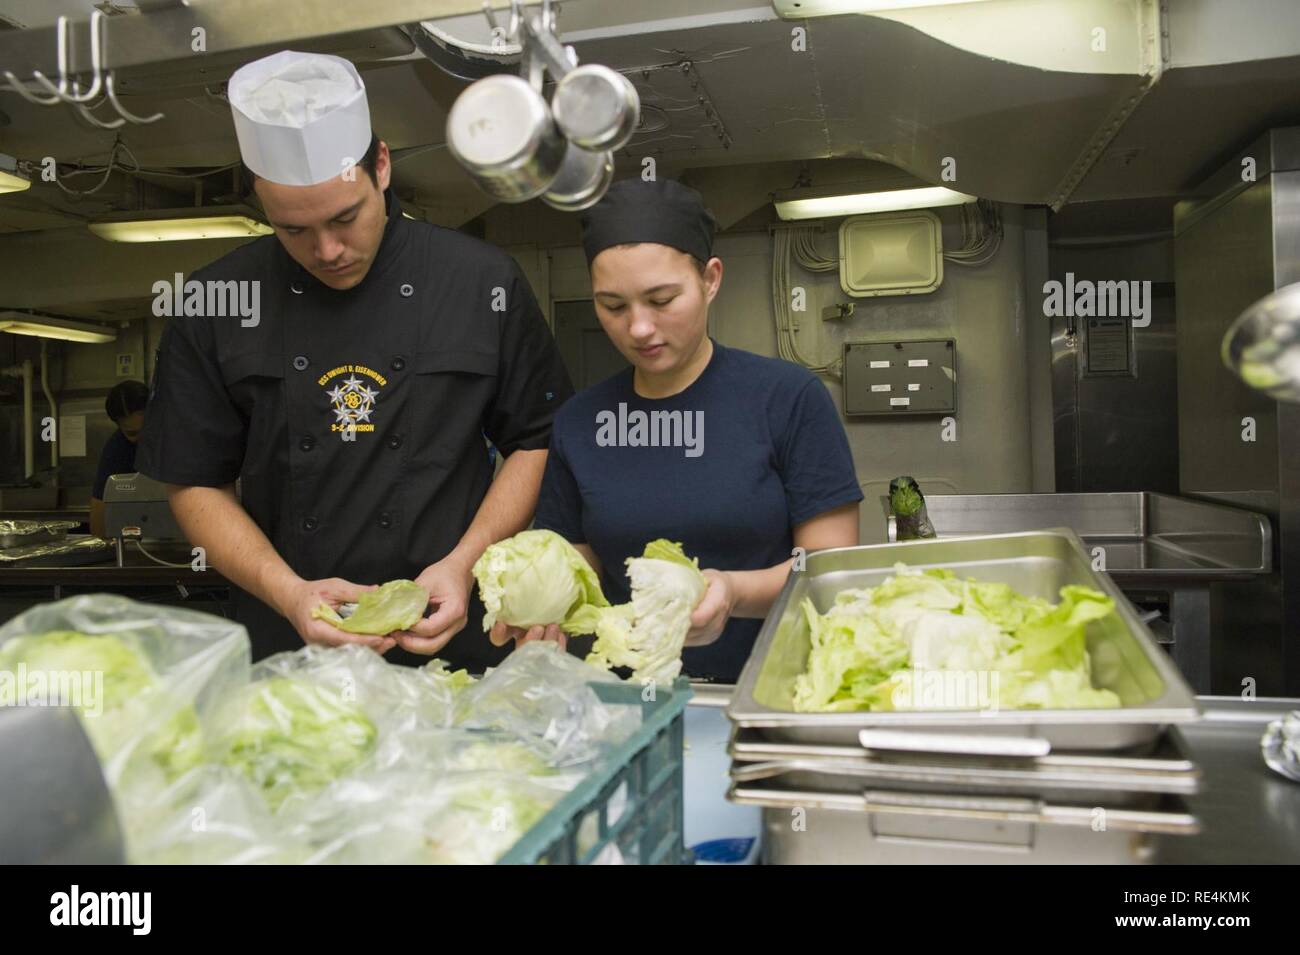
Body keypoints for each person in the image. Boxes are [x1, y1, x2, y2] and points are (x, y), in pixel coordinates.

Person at [136, 50, 573, 670]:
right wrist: (290, 594)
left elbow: (538, 440)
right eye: (293, 230)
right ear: (261, 200)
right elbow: (193, 478)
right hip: (292, 645)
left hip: (453, 632)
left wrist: (462, 563)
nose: (328, 249)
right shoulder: (213, 302)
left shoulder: (478, 280)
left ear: (383, 167)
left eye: (347, 217)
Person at [500, 178, 862, 682]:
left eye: (662, 299)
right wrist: (540, 602)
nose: (640, 327)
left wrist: (733, 592)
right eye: (613, 305)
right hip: (628, 695)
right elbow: (577, 554)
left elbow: (827, 563)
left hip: (768, 687)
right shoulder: (581, 421)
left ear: (711, 279)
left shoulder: (786, 398)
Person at [89, 379, 149, 538]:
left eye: (148, 428)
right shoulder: (117, 450)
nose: (144, 438)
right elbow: (98, 524)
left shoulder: (179, 435)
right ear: (119, 426)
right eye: (133, 433)